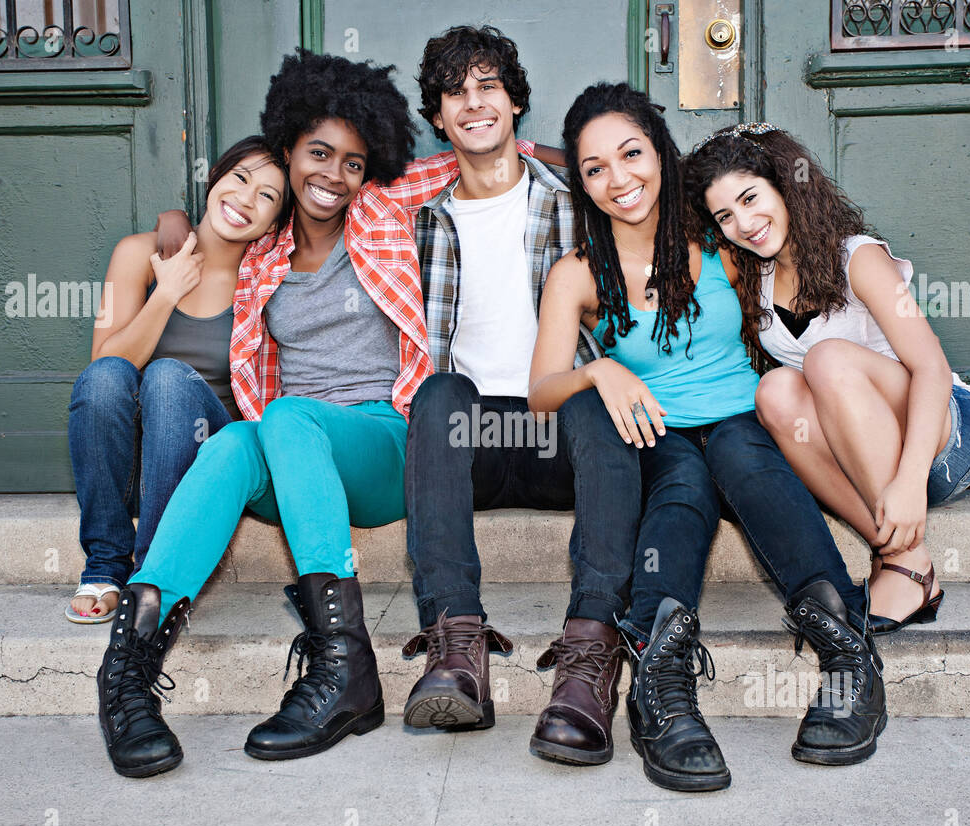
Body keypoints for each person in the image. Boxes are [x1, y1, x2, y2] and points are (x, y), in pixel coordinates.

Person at [96, 49, 492, 778]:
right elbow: (200, 224)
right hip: (295, 454)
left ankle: (343, 665)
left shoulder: (380, 209)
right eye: (317, 153)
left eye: (351, 161)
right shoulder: (263, 253)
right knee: (234, 446)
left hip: (381, 443)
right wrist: (171, 220)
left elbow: (479, 154)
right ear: (287, 148)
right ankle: (126, 674)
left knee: (284, 418)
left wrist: (602, 144)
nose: (333, 174)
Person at [531, 83, 887, 792]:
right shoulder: (577, 274)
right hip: (657, 434)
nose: (617, 179)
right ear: (580, 179)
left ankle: (848, 656)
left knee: (736, 453)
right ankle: (662, 684)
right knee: (683, 482)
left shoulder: (721, 244)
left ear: (660, 154)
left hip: (744, 423)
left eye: (631, 154)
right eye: (594, 167)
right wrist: (598, 369)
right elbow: (542, 389)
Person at [399, 25, 641, 769]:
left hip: (559, 433)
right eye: (456, 92)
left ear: (514, 102)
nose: (474, 103)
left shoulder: (579, 203)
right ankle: (455, 650)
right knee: (438, 394)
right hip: (466, 441)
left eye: (488, 87)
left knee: (592, 400)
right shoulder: (417, 217)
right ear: (437, 116)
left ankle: (588, 661)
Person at [682, 124, 970, 632]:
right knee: (776, 390)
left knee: (826, 359)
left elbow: (930, 367)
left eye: (750, 198)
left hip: (941, 439)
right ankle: (894, 546)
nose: (744, 222)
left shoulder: (858, 257)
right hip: (864, 466)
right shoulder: (754, 279)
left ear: (785, 184)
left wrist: (911, 479)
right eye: (725, 216)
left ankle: (910, 563)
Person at [66, 136, 286, 624]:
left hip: (202, 464)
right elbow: (104, 361)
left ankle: (151, 574)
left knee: (166, 377)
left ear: (274, 222)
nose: (246, 200)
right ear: (216, 178)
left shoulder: (266, 278)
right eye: (241, 179)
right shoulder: (138, 252)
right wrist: (165, 292)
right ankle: (104, 565)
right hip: (133, 467)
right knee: (105, 377)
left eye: (267, 197)